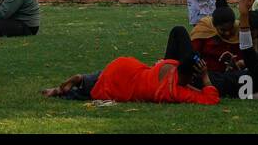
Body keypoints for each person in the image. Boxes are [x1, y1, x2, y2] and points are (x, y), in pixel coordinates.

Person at [42, 25, 219, 105]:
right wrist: (204, 77)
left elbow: (181, 42)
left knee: (103, 76)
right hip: (126, 83)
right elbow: (211, 99)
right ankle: (76, 85)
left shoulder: (169, 66)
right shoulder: (175, 92)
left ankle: (70, 84)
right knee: (97, 88)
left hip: (129, 67)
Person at [191, 0, 243, 73]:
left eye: (230, 29)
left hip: (233, 75)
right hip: (206, 74)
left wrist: (239, 63)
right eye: (223, 30)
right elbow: (193, 53)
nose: (227, 33)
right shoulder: (205, 28)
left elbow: (245, 55)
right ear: (214, 26)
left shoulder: (238, 29)